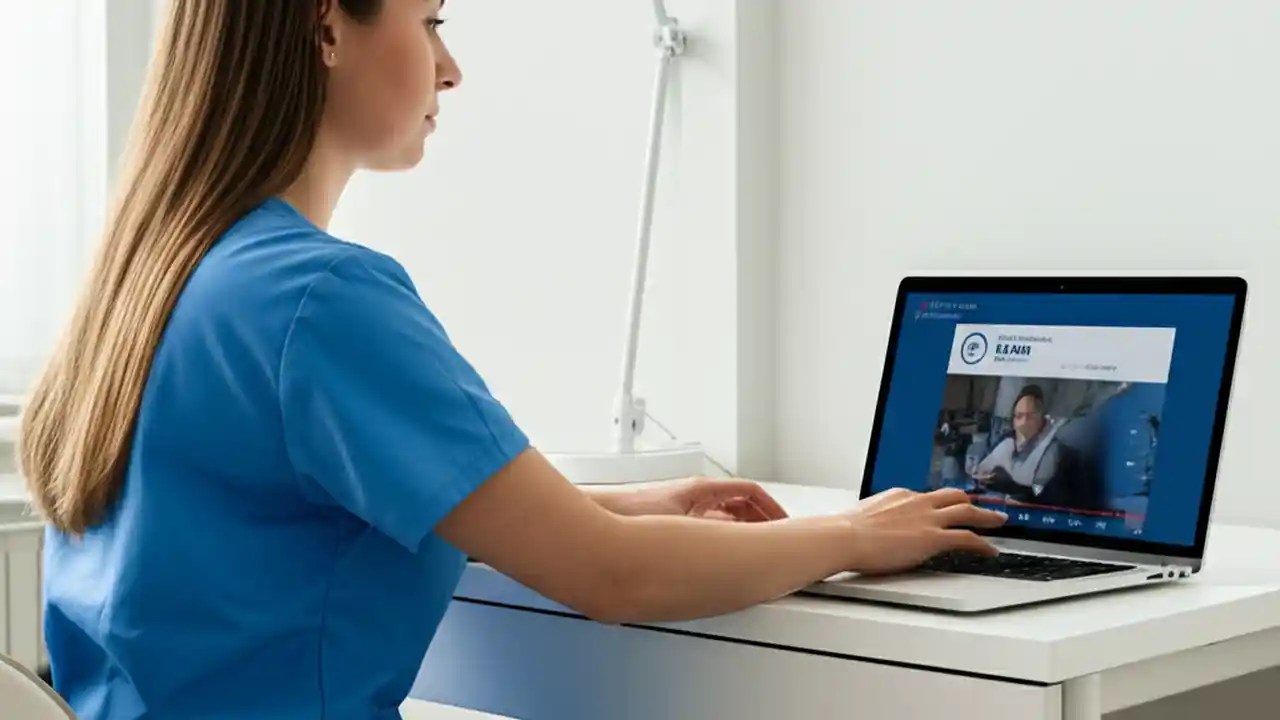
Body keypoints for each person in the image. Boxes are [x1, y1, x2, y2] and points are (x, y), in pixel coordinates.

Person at [18, 2, 1007, 718]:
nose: (450, 69)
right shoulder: (316, 298)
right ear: (327, 28)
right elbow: (611, 580)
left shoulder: (151, 279)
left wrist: (618, 505)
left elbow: (279, 524)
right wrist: (849, 534)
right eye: (432, 21)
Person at [973, 384, 1062, 500]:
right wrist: (982, 477)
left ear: (1042, 418)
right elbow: (982, 471)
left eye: (1031, 416)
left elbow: (1040, 490)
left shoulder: (1052, 448)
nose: (1024, 422)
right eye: (1019, 416)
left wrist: (1012, 487)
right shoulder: (1006, 442)